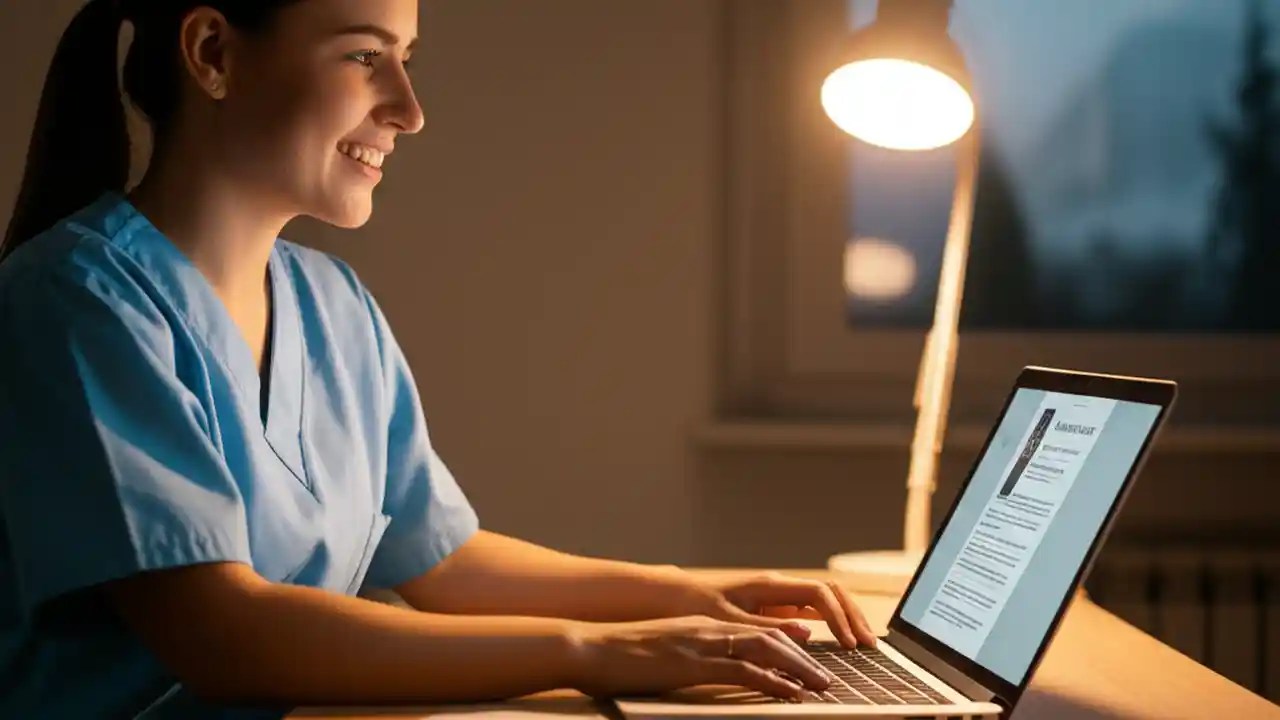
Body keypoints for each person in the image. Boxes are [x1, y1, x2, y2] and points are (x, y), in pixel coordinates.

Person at [0, 0, 877, 717]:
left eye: (407, 60)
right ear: (213, 53)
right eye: (364, 56)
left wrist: (685, 598)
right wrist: (599, 652)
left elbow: (443, 561)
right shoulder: (77, 302)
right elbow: (227, 635)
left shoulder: (331, 302)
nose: (409, 110)